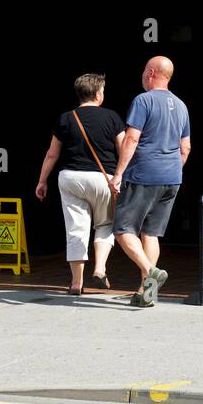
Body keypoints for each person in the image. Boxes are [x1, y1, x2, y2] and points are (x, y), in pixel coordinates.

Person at [111, 56, 191, 307]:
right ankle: (147, 293)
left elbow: (132, 139)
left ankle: (150, 271)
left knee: (122, 229)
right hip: (172, 177)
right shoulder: (181, 105)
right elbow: (186, 148)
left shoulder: (142, 101)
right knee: (151, 233)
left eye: (145, 70)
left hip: (143, 174)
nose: (143, 74)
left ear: (151, 73)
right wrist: (172, 170)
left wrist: (119, 173)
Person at [35, 73, 125, 295]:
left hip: (71, 178)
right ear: (97, 93)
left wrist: (42, 180)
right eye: (103, 91)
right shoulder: (112, 117)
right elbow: (125, 150)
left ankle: (76, 283)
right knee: (105, 224)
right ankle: (100, 270)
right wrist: (120, 176)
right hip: (103, 179)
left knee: (76, 229)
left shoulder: (66, 118)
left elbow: (52, 155)